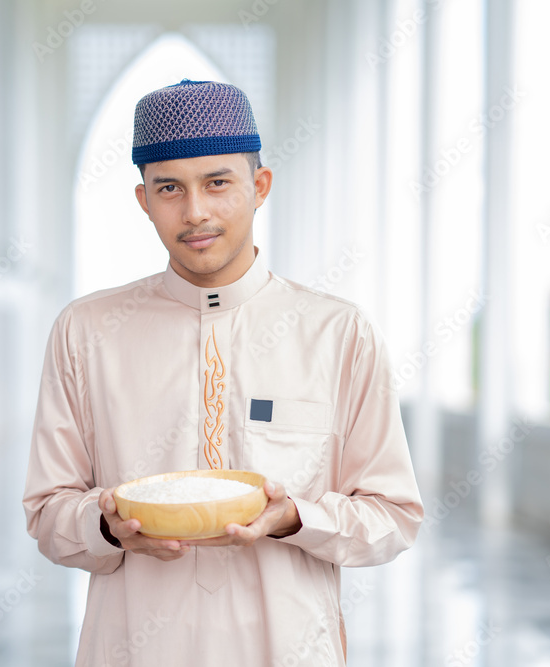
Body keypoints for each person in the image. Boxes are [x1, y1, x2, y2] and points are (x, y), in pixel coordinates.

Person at [22, 78, 423, 667]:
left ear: (259, 186)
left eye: (217, 183)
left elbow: (393, 516)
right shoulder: (87, 331)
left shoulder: (337, 334)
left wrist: (296, 518)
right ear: (143, 201)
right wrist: (106, 527)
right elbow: (47, 513)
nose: (195, 212)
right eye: (169, 188)